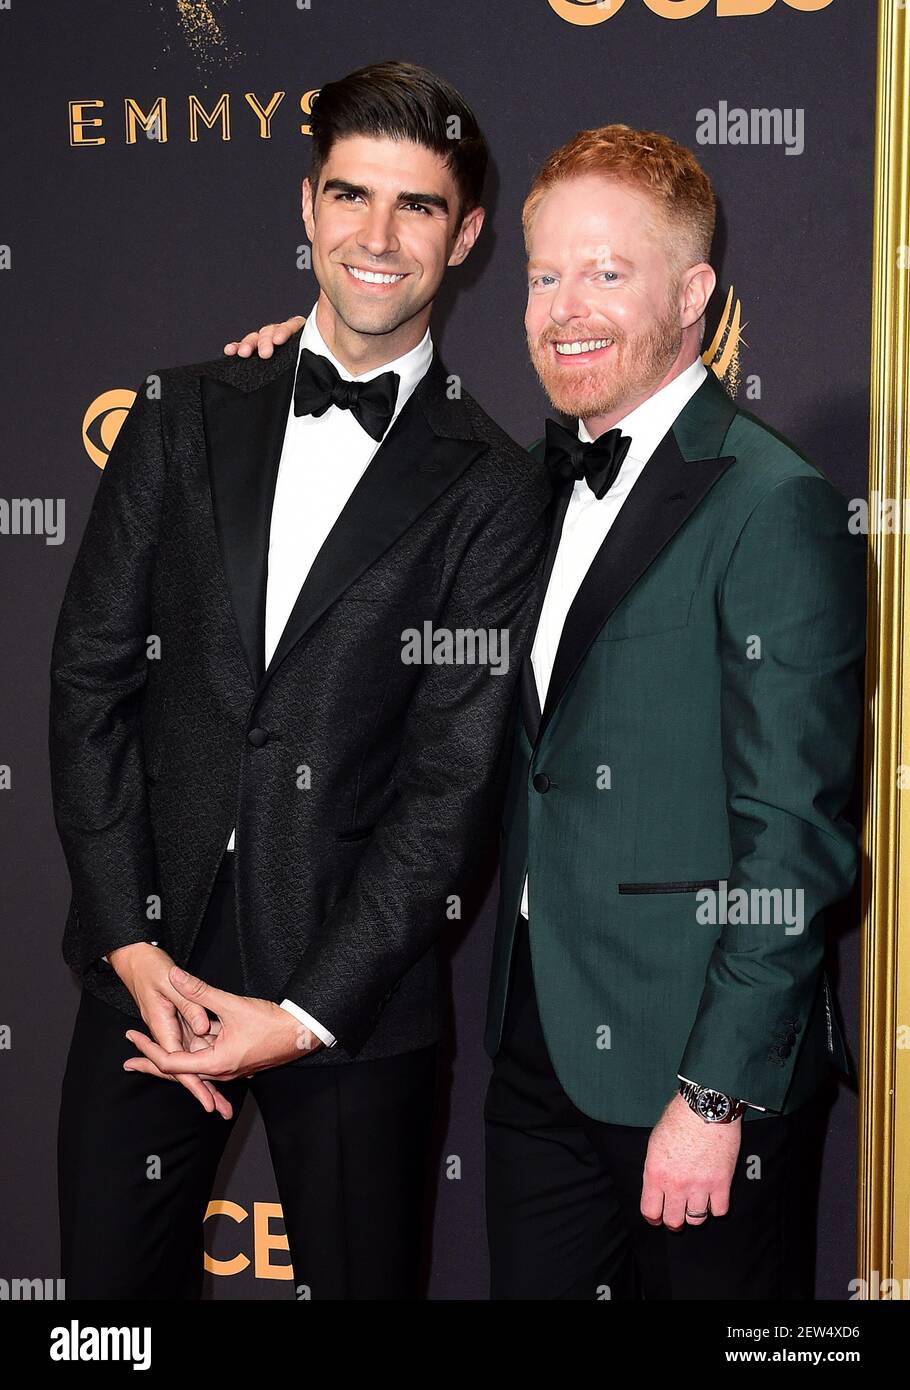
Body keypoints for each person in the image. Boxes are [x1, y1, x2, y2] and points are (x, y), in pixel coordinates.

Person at [240, 124, 865, 1301]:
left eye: (605, 272)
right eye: (542, 275)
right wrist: (296, 361)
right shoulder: (520, 484)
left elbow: (796, 840)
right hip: (535, 1059)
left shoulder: (771, 504)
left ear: (693, 293)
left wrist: (712, 1094)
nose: (562, 308)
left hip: (696, 1073)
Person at [50, 59, 552, 1301]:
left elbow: (452, 788)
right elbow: (88, 682)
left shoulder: (495, 487)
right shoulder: (179, 410)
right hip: (144, 981)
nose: (375, 238)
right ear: (306, 206)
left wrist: (307, 1012)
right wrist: (128, 941)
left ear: (468, 233)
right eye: (350, 196)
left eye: (418, 206)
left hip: (355, 1005)